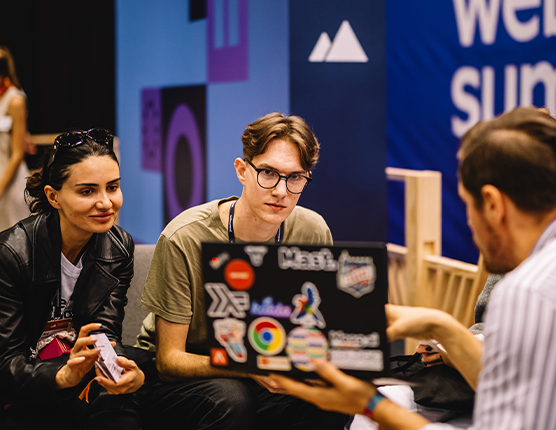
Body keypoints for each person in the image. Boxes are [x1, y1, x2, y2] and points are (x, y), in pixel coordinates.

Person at [272, 106, 556, 429]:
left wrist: (370, 405)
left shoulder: (529, 291)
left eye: (467, 206)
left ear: (493, 204)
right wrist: (442, 327)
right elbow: (520, 390)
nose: (470, 226)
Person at [136, 112, 348, 429]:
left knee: (332, 396)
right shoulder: (185, 237)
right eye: (268, 173)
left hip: (267, 368)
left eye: (295, 178)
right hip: (184, 373)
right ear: (242, 171)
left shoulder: (312, 231)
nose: (281, 191)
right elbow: (169, 360)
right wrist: (251, 368)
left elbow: (319, 328)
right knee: (232, 397)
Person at [0, 129, 145, 429]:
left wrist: (118, 370)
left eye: (113, 187)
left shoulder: (118, 247)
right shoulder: (11, 254)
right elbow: (7, 365)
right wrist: (61, 376)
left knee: (129, 397)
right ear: (54, 196)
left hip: (80, 375)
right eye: (87, 191)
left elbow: (105, 333)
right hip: (26, 385)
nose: (106, 203)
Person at [0, 46, 30, 231]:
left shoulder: (15, 100)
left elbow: (17, 154)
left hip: (9, 185)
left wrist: (1, 188)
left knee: (13, 241)